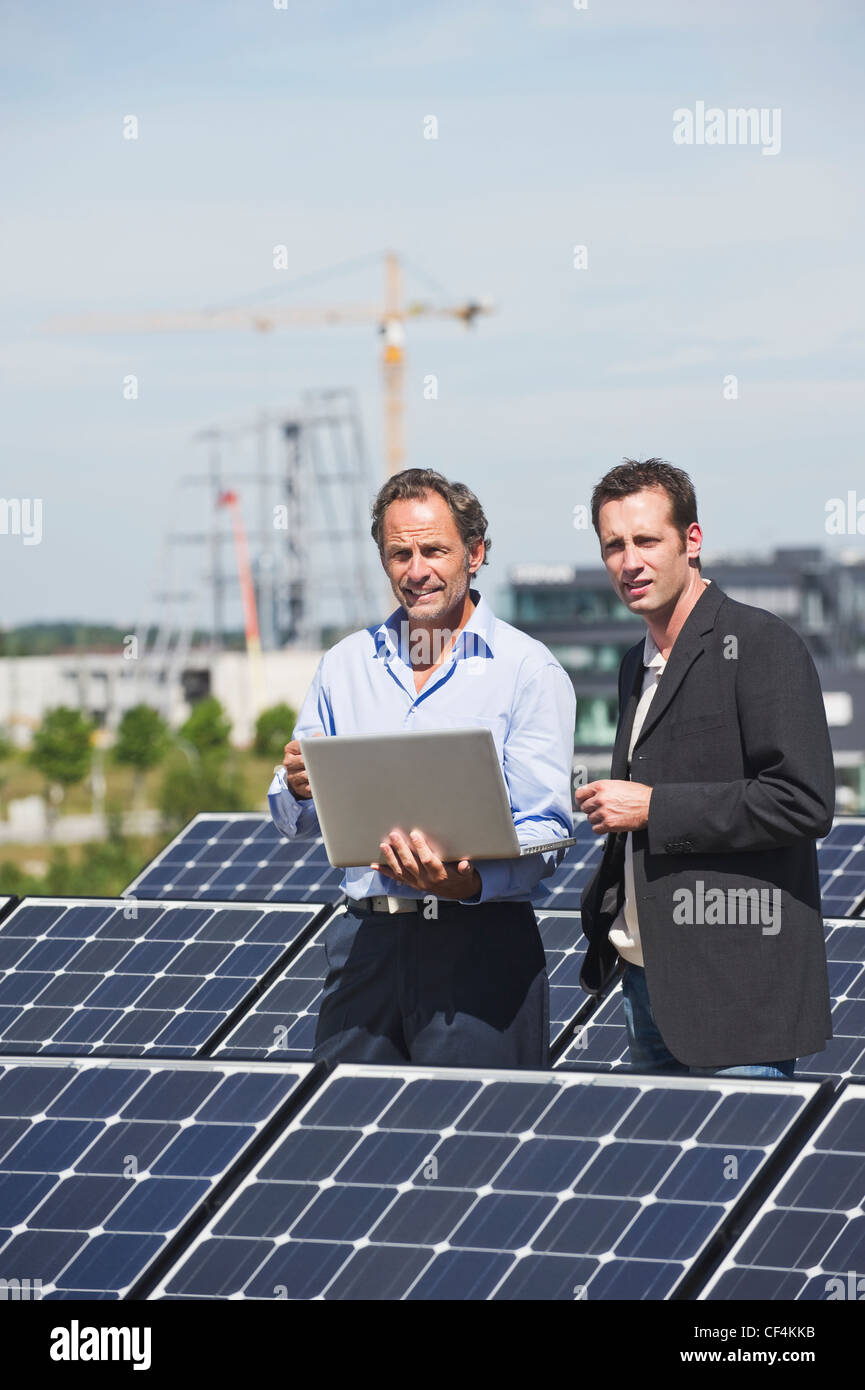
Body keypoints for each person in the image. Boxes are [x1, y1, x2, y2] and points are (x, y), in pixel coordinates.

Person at [269, 468, 576, 1068]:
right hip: (365, 945)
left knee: (474, 1142)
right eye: (399, 553)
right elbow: (291, 820)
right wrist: (298, 789)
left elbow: (550, 830)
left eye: (434, 550)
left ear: (476, 553)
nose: (416, 570)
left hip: (480, 948)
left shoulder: (527, 670)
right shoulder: (343, 665)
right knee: (342, 1138)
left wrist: (467, 883)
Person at [576, 458, 835, 1077]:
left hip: (737, 1003)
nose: (629, 562)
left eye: (646, 540)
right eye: (614, 546)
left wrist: (653, 807)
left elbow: (803, 801)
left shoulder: (761, 643)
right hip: (648, 984)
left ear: (692, 540)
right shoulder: (634, 666)